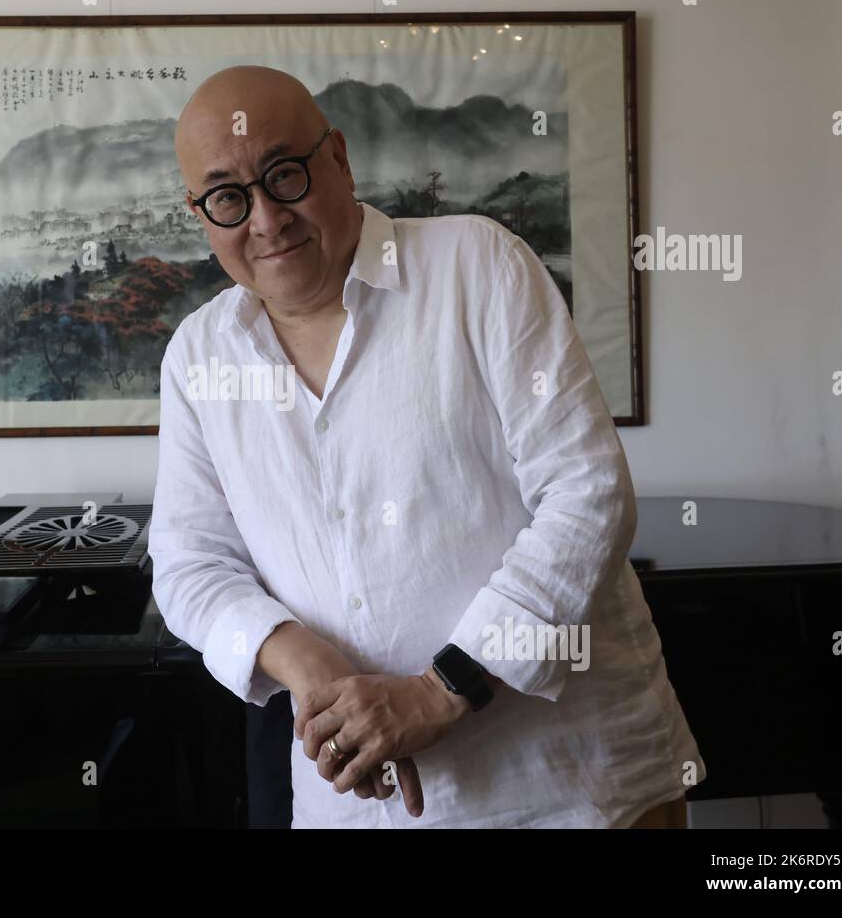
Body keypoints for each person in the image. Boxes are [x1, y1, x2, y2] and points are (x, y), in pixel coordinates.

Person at [148, 64, 704, 828]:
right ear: (199, 212)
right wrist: (309, 665)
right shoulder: (197, 358)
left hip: (570, 784)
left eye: (285, 175)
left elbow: (587, 494)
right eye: (228, 197)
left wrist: (438, 690)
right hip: (356, 801)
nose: (266, 220)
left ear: (337, 158)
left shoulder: (480, 267)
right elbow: (189, 565)